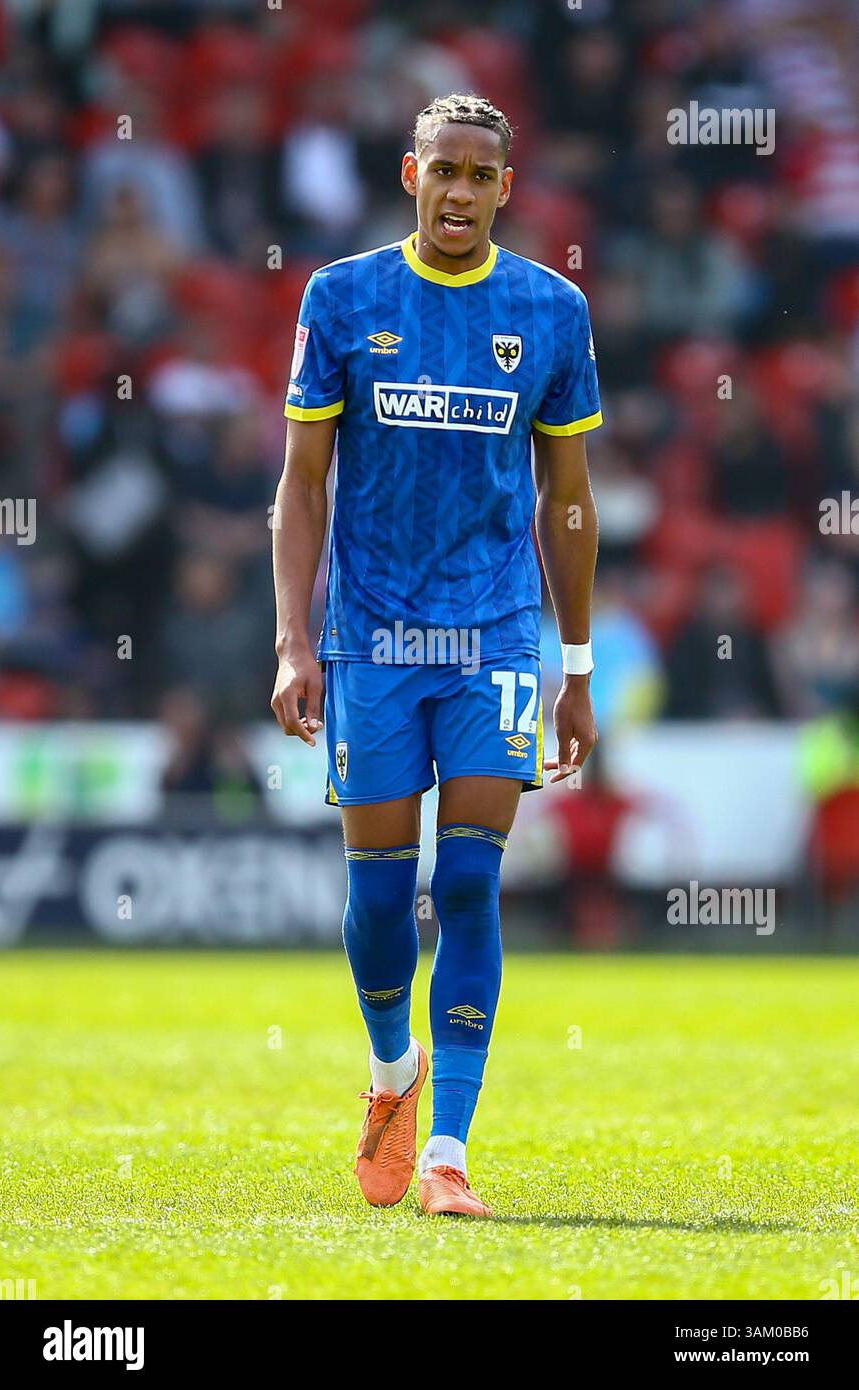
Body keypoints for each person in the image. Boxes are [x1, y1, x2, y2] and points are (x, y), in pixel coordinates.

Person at [270, 94, 602, 1219]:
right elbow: (302, 483)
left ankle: (449, 1149)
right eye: (440, 170)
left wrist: (579, 663)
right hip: (369, 636)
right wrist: (290, 640)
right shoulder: (342, 296)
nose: (457, 192)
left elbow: (567, 499)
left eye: (479, 175)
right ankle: (389, 1076)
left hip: (493, 636)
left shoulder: (550, 311)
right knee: (375, 901)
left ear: (505, 187)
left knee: (465, 878)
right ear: (409, 172)